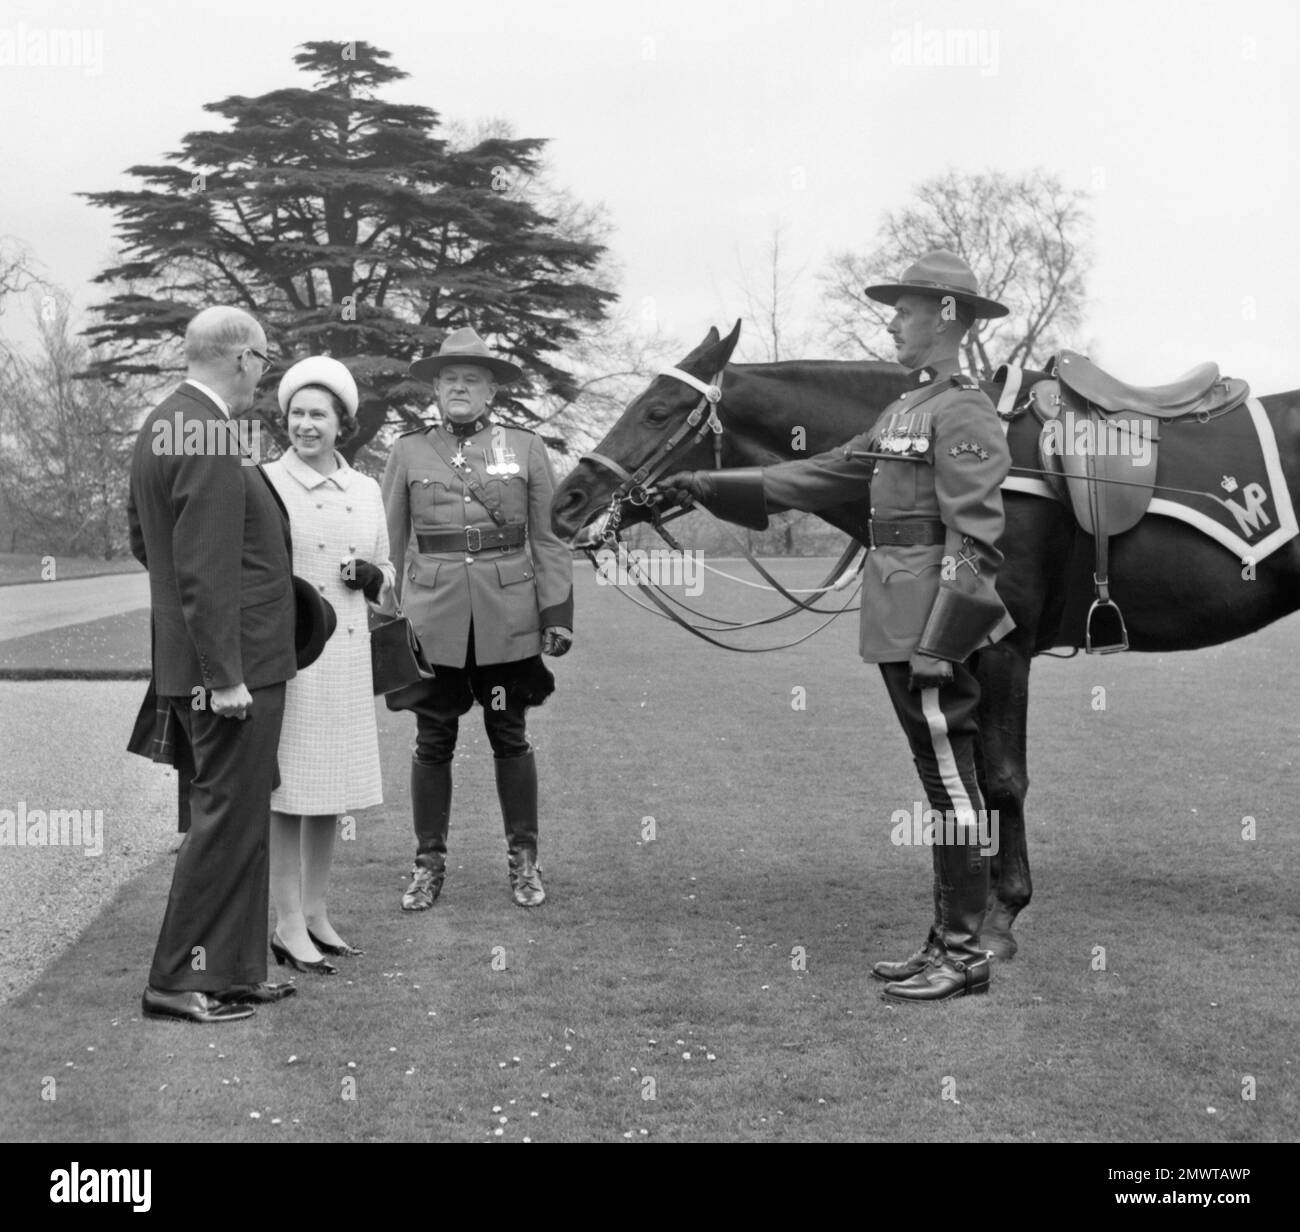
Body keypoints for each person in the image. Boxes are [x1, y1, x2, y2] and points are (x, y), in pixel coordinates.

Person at [663, 250, 1014, 1002]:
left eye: (907, 310)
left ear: (946, 317)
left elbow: (977, 541)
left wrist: (941, 641)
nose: (892, 321)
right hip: (900, 618)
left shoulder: (965, 411)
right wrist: (707, 486)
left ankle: (965, 954)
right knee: (941, 783)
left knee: (955, 789)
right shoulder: (905, 411)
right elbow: (823, 474)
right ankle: (942, 941)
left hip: (929, 627)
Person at [127, 305, 299, 1023]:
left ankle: (229, 969)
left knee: (239, 816)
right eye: (264, 359)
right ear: (243, 359)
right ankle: (176, 980)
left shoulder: (165, 421)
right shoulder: (207, 431)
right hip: (230, 671)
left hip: (211, 659)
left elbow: (147, 543)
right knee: (224, 819)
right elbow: (204, 567)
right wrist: (222, 672)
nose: (264, 372)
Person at [381, 327, 573, 910]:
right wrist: (387, 617)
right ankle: (427, 865)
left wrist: (556, 612)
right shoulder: (407, 450)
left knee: (509, 735)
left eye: (471, 379)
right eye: (449, 379)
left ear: (490, 390)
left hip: (506, 616)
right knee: (431, 738)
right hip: (432, 620)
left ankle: (525, 863)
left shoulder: (527, 447)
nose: (459, 388)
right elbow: (389, 540)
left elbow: (550, 538)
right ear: (435, 388)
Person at [263, 357, 395, 973]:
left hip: (346, 657)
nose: (306, 425)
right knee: (289, 791)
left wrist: (374, 578)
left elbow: (388, 575)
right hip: (290, 655)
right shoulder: (265, 482)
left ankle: (316, 913)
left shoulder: (367, 490)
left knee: (328, 792)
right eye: (297, 414)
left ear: (343, 421)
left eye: (319, 414)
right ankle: (287, 924)